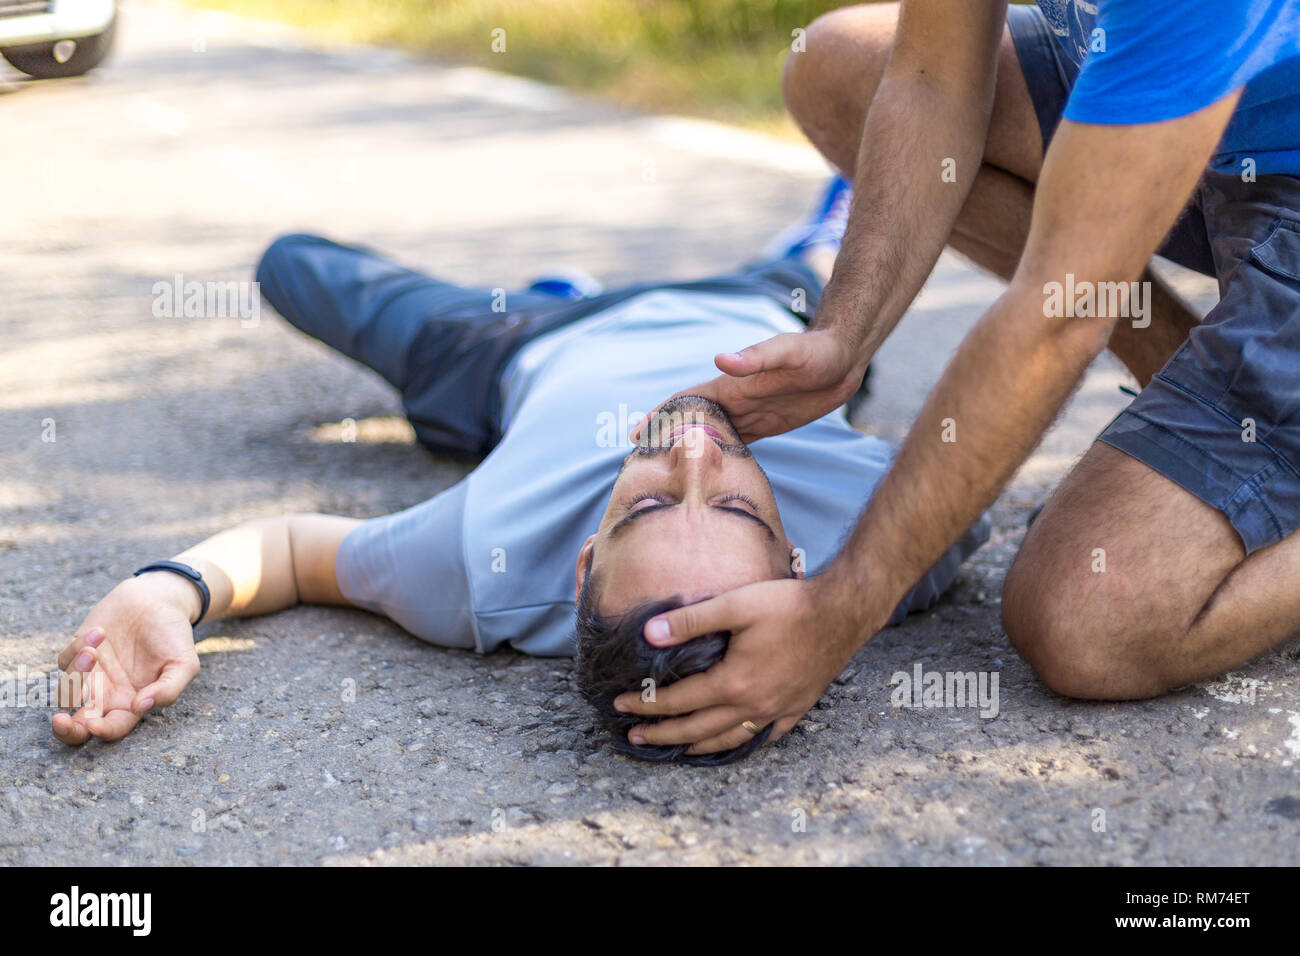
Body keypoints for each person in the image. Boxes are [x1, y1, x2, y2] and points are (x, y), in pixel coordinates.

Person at [50, 182, 989, 763]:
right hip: (760, 321)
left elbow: (293, 554)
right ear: (797, 566)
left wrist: (168, 590)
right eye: (741, 504)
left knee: (290, 263)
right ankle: (815, 245)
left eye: (651, 501)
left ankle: (560, 294)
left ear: (583, 565)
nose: (694, 444)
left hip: (513, 347)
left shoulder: (474, 565)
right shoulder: (889, 531)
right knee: (833, 289)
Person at [614, 0, 1300, 756]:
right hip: (1232, 120)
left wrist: (840, 612)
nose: (692, 459)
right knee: (839, 66)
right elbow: (931, 77)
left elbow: (1058, 310)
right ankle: (1193, 372)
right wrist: (848, 331)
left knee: (1088, 619)